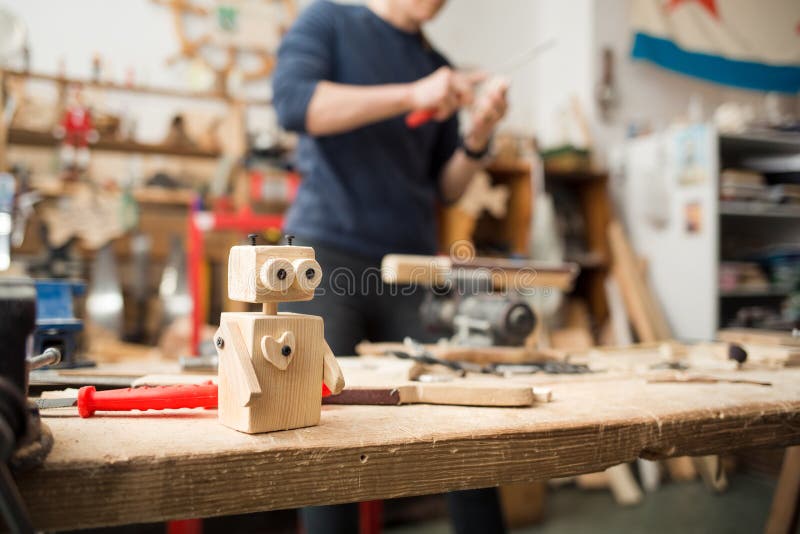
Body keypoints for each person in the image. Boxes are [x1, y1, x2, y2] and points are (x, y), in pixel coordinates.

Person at [272, 1, 509, 533]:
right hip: (325, 261)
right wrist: (412, 94)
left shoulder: (437, 64)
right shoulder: (327, 21)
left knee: (464, 428)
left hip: (410, 268)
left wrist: (477, 137)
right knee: (324, 438)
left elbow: (445, 187)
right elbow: (293, 104)